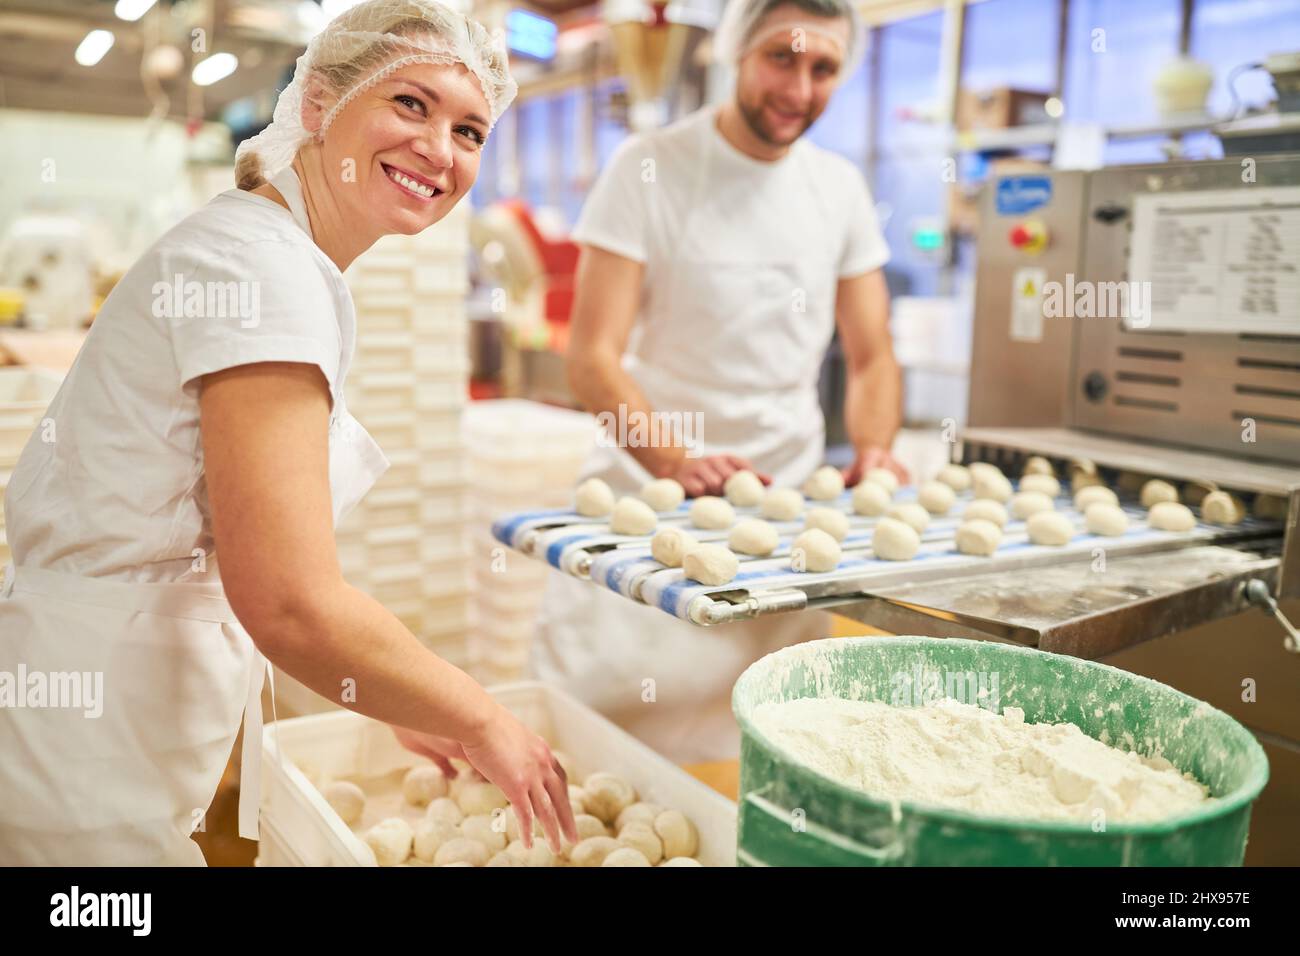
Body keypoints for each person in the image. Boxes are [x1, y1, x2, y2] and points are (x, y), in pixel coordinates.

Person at [0, 0, 576, 865]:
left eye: (469, 130)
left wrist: (394, 695)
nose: (439, 150)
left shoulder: (272, 256)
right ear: (317, 104)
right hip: (87, 751)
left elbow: (245, 551)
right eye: (410, 104)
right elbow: (289, 599)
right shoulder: (259, 269)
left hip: (109, 718)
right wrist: (479, 716)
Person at [532, 0, 907, 763]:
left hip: (780, 527)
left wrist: (875, 449)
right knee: (595, 761)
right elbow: (592, 357)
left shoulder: (838, 188)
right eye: (781, 58)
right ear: (735, 51)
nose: (799, 88)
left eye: (823, 67)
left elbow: (872, 355)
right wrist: (675, 463)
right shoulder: (650, 168)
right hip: (650, 513)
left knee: (762, 752)